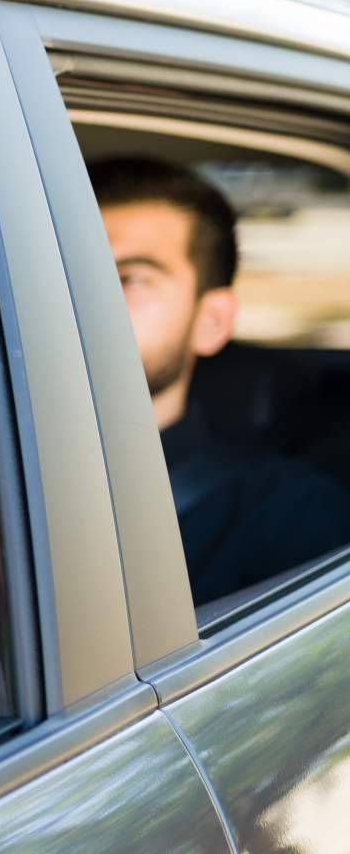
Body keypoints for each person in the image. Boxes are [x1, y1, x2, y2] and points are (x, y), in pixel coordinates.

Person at [91, 156, 350, 604]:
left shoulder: (289, 516)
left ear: (211, 321)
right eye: (59, 270)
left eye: (130, 278)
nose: (82, 296)